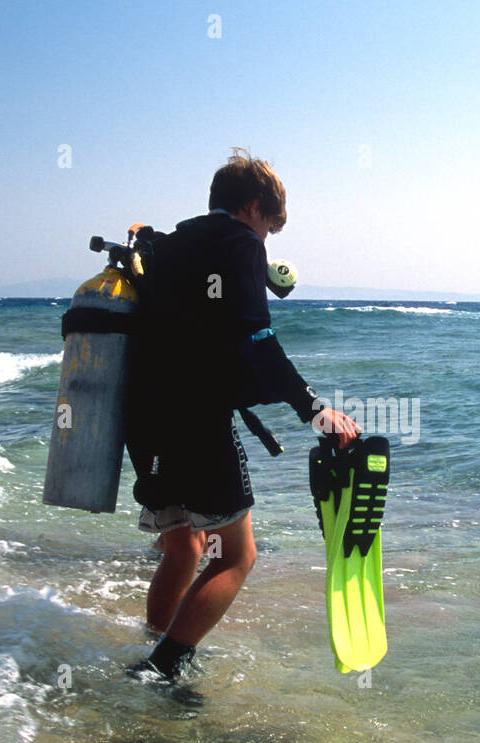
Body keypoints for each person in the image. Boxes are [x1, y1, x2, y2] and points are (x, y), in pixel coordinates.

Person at [123, 149, 359, 684]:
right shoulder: (239, 245)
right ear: (254, 207)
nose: (266, 241)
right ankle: (161, 669)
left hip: (145, 415)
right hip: (197, 419)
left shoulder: (169, 242)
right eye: (270, 228)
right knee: (236, 556)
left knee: (183, 545)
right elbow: (258, 341)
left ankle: (157, 643)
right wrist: (314, 409)